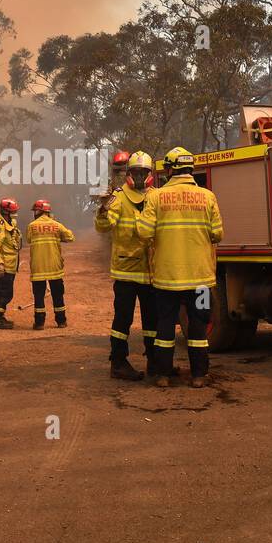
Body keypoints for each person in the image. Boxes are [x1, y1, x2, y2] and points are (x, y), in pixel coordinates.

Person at [137, 148, 223, 389]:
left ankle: (163, 376)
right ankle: (199, 376)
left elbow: (143, 232)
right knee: (199, 325)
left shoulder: (155, 197)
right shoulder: (208, 197)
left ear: (169, 169)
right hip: (202, 280)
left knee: (164, 324)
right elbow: (218, 233)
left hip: (167, 280)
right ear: (191, 169)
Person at [95, 151, 157, 381]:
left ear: (150, 174)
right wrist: (102, 211)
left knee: (152, 320)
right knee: (123, 320)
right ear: (128, 173)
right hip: (126, 271)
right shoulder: (118, 198)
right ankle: (118, 363)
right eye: (135, 172)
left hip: (151, 271)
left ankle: (155, 362)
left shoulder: (156, 196)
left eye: (143, 172)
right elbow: (104, 226)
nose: (139, 176)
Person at [26, 199, 74, 329]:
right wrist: (58, 236)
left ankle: (39, 323)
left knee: (39, 296)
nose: (34, 213)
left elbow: (29, 239)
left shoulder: (31, 226)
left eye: (35, 210)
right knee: (58, 295)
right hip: (54, 267)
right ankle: (61, 321)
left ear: (40, 211)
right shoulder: (56, 225)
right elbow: (70, 237)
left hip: (38, 267)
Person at [0, 198, 22, 329]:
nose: (15, 214)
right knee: (3, 292)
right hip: (5, 266)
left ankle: (0, 317)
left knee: (7, 292)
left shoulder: (10, 222)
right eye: (13, 212)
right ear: (5, 212)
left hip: (11, 265)